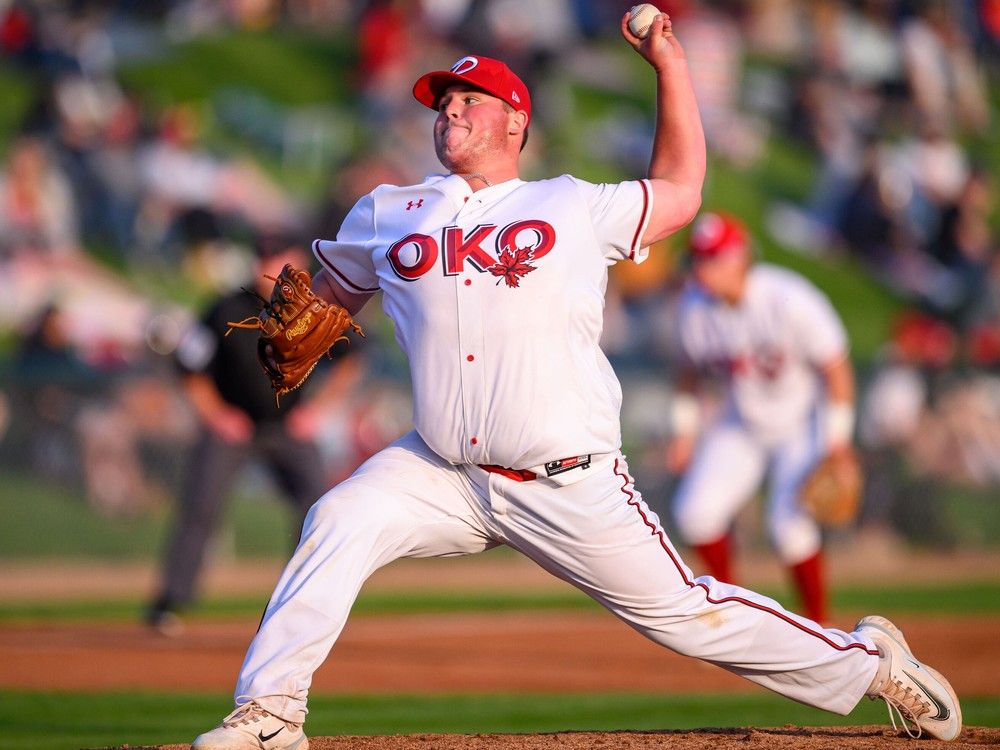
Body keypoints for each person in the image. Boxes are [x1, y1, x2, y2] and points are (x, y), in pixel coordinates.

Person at [192, 12, 961, 749]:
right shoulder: (387, 211)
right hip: (440, 470)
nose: (449, 109)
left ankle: (875, 666)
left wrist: (670, 66)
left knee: (688, 616)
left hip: (564, 478)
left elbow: (681, 190)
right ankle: (270, 712)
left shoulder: (568, 204)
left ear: (515, 123)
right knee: (339, 517)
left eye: (469, 99)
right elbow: (333, 296)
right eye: (441, 100)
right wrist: (302, 324)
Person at [146, 233, 360, 635]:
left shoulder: (315, 308)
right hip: (234, 427)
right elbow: (189, 368)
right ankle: (169, 601)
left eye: (283, 258)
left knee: (320, 507)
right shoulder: (226, 308)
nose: (274, 266)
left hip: (287, 427)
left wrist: (316, 411)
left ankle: (306, 600)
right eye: (268, 258)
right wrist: (217, 415)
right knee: (201, 507)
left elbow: (352, 361)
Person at [665, 212, 859, 625]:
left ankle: (820, 625)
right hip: (742, 423)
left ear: (739, 258)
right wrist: (684, 433)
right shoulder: (693, 307)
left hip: (799, 424)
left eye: (711, 258)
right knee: (695, 513)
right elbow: (688, 373)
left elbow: (836, 366)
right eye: (698, 259)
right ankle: (733, 613)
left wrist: (838, 440)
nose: (702, 268)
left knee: (788, 528)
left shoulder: (788, 296)